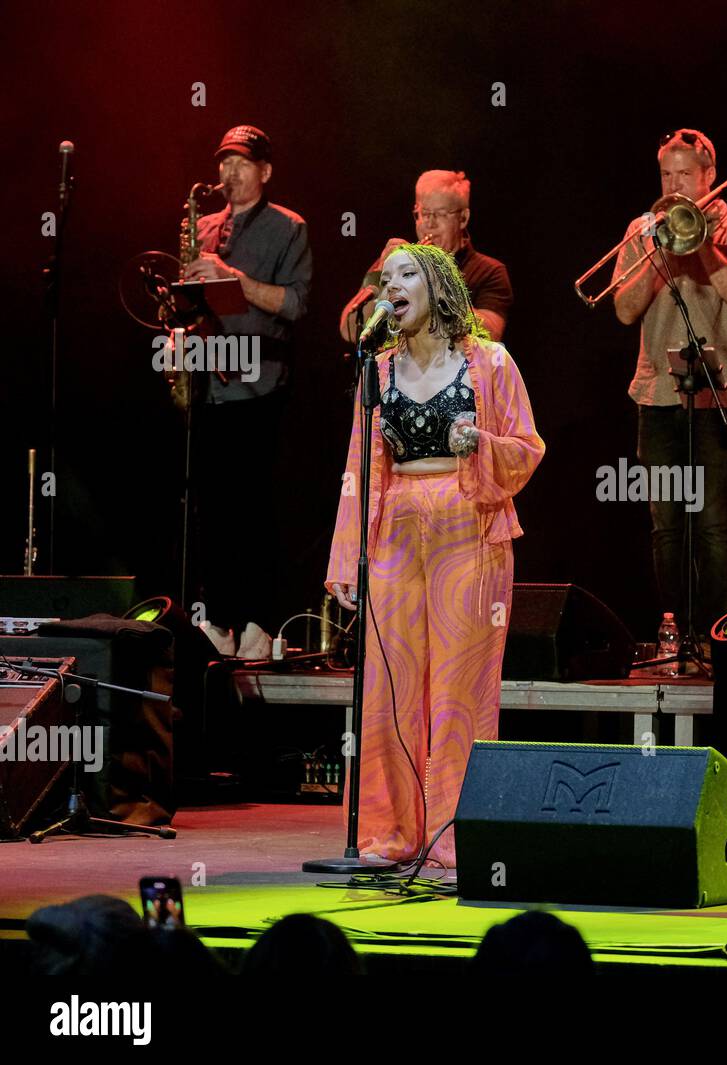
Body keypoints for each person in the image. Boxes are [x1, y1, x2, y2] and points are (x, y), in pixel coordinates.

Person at [325, 243, 543, 867]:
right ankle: (391, 832)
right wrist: (347, 558)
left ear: (439, 287)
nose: (391, 286)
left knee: (457, 690)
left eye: (406, 275)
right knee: (389, 685)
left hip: (466, 523)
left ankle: (454, 838)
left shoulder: (490, 362)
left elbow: (527, 449)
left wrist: (480, 441)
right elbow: (358, 468)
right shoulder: (380, 368)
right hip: (395, 526)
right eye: (385, 278)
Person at [611, 129, 727, 647]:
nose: (674, 183)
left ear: (709, 176)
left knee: (714, 524)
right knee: (668, 525)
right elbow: (624, 309)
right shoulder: (641, 230)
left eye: (684, 174)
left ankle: (717, 637)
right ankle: (674, 628)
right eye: (666, 174)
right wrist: (659, 256)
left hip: (720, 394)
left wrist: (699, 246)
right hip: (657, 396)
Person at [185, 124, 312, 659]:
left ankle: (260, 619)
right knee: (211, 508)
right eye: (223, 162)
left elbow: (295, 305)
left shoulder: (289, 228)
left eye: (240, 163)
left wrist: (226, 275)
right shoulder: (205, 225)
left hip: (261, 383)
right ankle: (219, 618)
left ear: (265, 171)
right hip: (210, 382)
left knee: (253, 509)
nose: (228, 173)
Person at [339, 169, 512, 345]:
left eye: (440, 214)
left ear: (463, 218)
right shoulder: (401, 263)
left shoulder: (490, 271)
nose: (429, 223)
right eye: (423, 213)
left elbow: (490, 335)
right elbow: (351, 331)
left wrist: (438, 280)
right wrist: (382, 274)